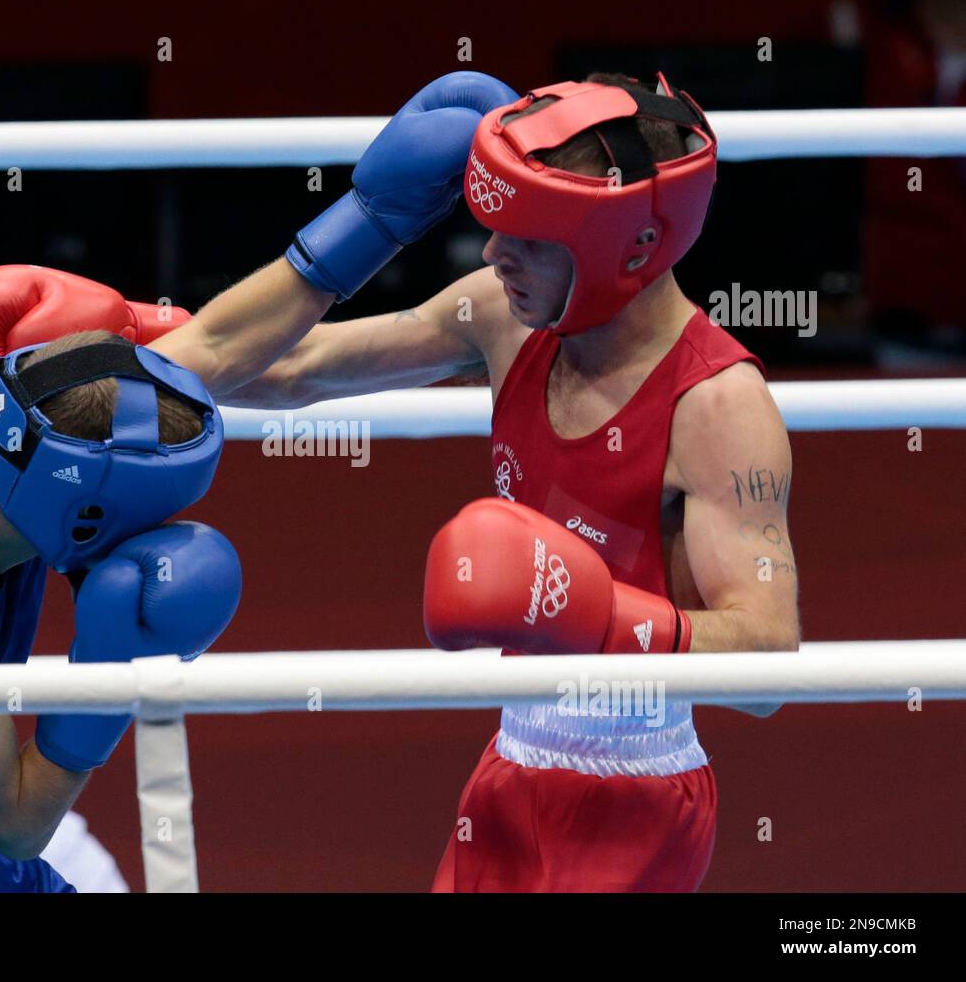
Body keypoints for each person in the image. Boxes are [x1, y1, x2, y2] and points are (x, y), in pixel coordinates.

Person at [0, 71, 517, 892]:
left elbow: (211, 347)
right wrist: (105, 669)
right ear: (84, 515)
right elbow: (24, 817)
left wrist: (374, 218)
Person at [220, 72, 801, 891]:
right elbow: (296, 368)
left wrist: (596, 612)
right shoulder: (501, 313)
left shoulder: (717, 405)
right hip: (509, 763)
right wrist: (133, 350)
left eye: (529, 236)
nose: (493, 254)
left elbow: (771, 658)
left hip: (637, 797)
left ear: (624, 246)